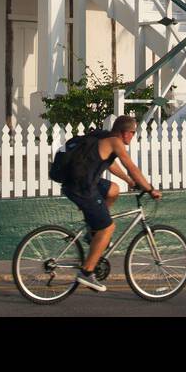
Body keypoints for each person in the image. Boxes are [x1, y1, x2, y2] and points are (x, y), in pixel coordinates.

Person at [61, 114, 160, 293]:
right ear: (124, 132)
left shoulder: (104, 137)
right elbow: (132, 166)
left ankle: (94, 232)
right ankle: (86, 273)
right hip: (82, 187)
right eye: (132, 132)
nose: (133, 136)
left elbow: (110, 165)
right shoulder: (115, 141)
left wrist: (129, 181)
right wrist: (150, 188)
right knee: (108, 228)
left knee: (113, 189)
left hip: (79, 181)